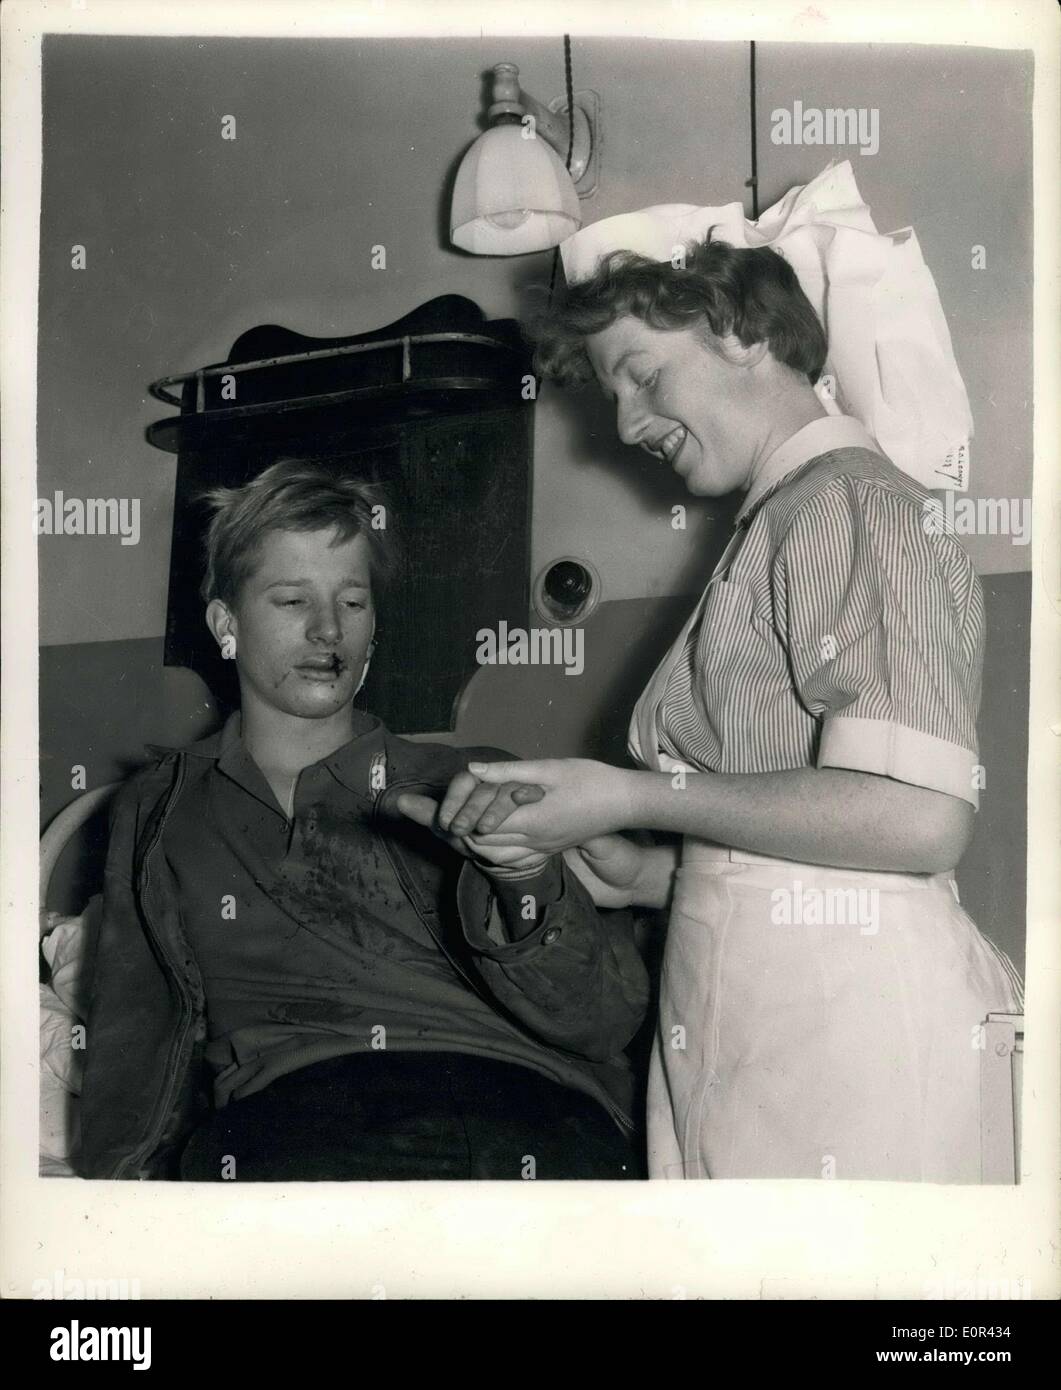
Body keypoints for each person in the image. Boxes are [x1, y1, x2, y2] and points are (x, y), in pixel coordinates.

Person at [426, 210, 1025, 1182]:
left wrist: (629, 795)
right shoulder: (782, 518)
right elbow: (804, 848)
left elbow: (914, 818)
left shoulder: (846, 503)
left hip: (858, 1045)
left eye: (641, 375)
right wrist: (647, 870)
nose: (622, 423)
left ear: (740, 330)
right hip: (773, 1038)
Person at [78, 460, 648, 1181]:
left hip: (529, 1111)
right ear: (225, 623)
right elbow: (133, 1038)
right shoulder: (161, 809)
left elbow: (601, 1020)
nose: (327, 632)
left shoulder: (477, 781)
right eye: (291, 601)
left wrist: (522, 882)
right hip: (296, 1125)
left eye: (352, 602)